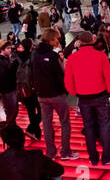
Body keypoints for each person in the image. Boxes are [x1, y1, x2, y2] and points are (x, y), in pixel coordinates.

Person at [65, 30, 110, 166]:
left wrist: (76, 92)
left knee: (88, 127)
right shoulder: (101, 56)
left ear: (79, 42)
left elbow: (68, 81)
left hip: (83, 97)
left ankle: (93, 157)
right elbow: (109, 76)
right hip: (101, 95)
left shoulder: (72, 58)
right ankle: (107, 157)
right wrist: (109, 90)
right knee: (104, 125)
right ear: (92, 41)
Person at [32, 28, 78, 161]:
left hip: (42, 95)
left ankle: (50, 152)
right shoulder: (53, 56)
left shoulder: (34, 54)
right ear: (51, 39)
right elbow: (61, 75)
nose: (58, 40)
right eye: (56, 38)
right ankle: (65, 152)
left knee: (47, 123)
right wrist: (65, 91)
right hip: (56, 94)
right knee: (65, 122)